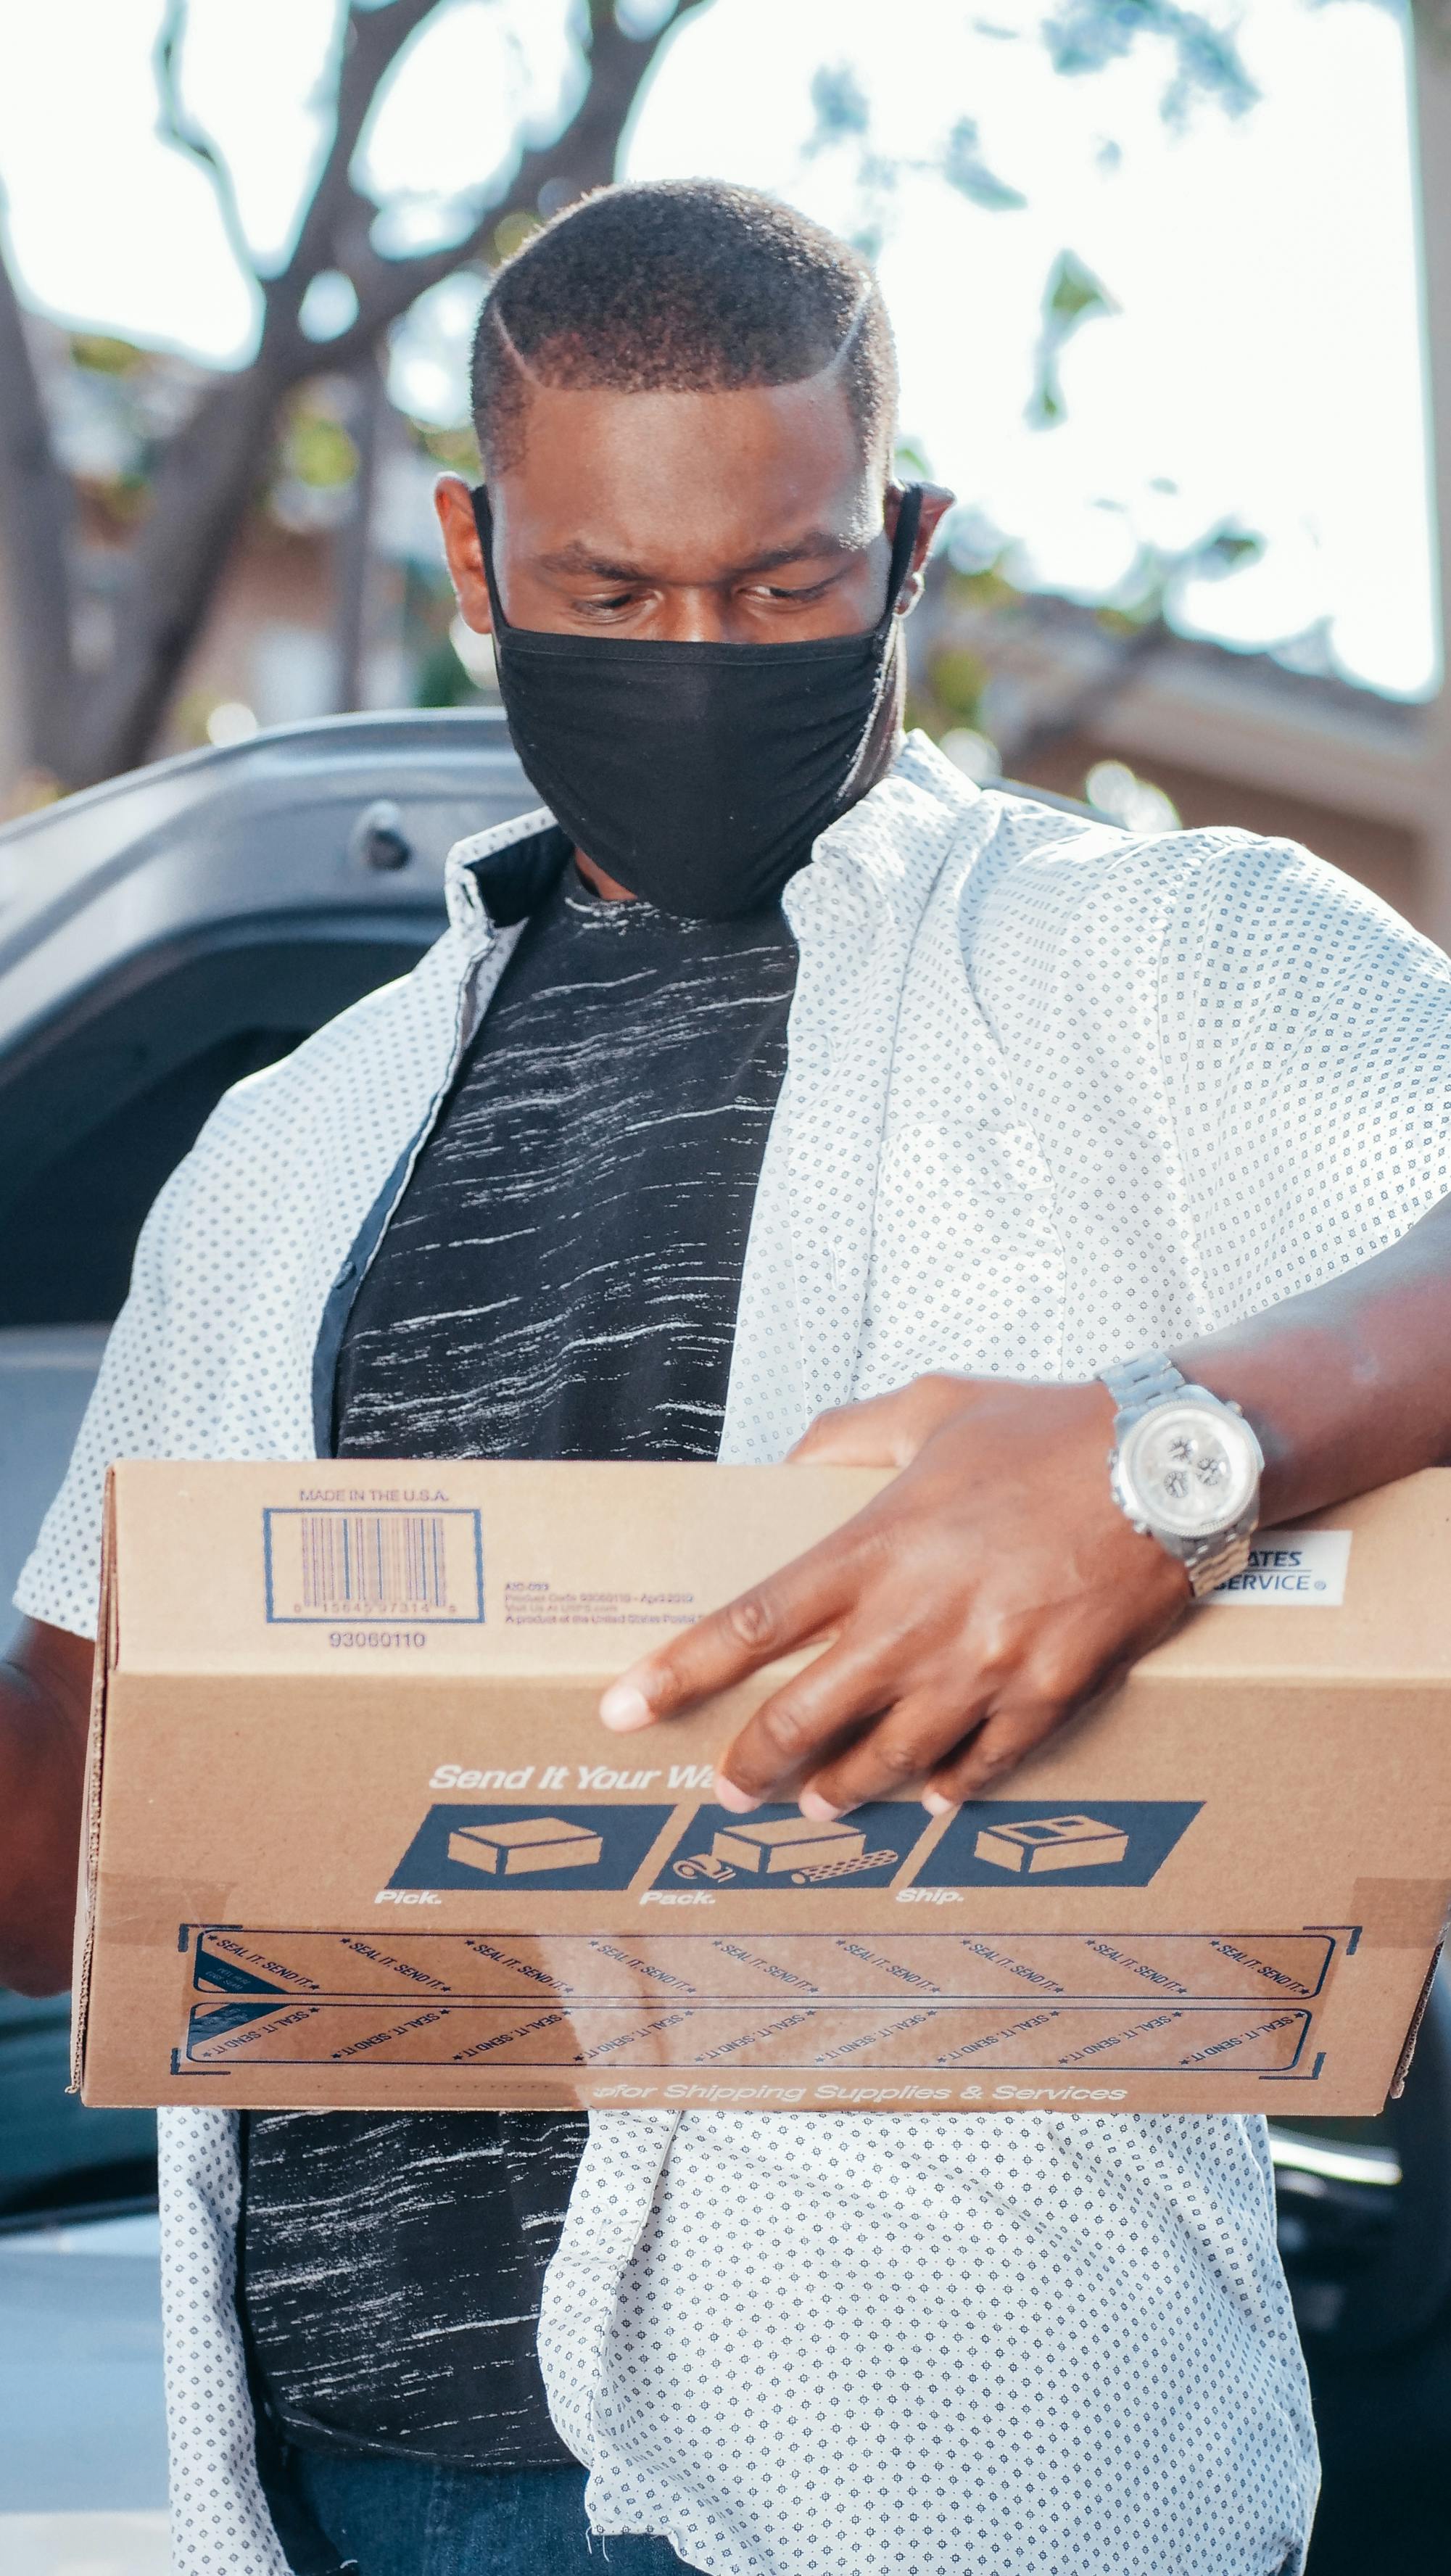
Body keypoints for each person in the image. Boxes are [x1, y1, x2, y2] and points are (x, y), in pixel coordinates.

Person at [5, 178, 1451, 2576]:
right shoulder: (288, 1144)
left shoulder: (1157, 963)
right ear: (478, 559)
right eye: (611, 596)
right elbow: (64, 1825)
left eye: (784, 590)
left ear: (900, 541)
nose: (699, 652)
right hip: (346, 2481)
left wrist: (1165, 1459)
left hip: (933, 2473)